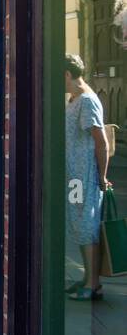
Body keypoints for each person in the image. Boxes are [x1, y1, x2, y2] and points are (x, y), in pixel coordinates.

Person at [65, 53, 111, 301]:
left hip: (85, 176)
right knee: (78, 225)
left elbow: (101, 141)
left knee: (87, 226)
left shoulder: (87, 101)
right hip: (74, 177)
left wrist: (102, 176)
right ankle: (87, 277)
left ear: (67, 74)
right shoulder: (74, 99)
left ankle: (93, 284)